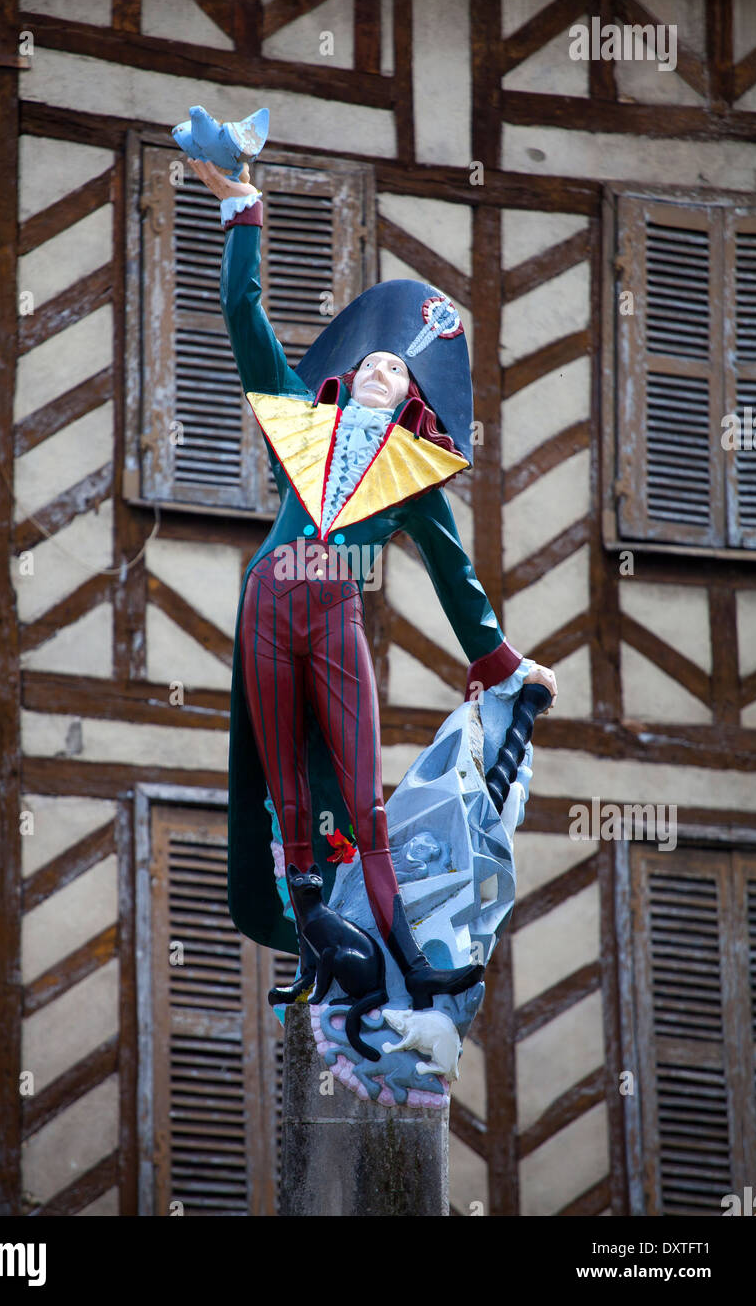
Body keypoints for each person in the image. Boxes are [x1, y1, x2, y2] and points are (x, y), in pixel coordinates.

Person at [186, 156, 557, 1008]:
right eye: (375, 363)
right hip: (273, 600)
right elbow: (245, 318)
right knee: (290, 795)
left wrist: (503, 663)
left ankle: (412, 962)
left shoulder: (409, 479)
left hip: (335, 608)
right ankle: (310, 951)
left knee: (362, 798)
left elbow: (454, 577)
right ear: (350, 374)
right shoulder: (299, 423)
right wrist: (242, 212)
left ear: (408, 401)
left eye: (400, 372)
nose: (383, 372)